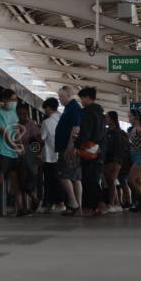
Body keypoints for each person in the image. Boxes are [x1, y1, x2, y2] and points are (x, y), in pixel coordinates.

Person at [0, 89, 28, 216]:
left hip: (12, 152)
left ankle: (21, 208)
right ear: (4, 100)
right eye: (12, 100)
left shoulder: (13, 112)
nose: (14, 102)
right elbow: (3, 131)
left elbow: (16, 129)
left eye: (15, 100)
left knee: (15, 180)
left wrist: (20, 145)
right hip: (2, 150)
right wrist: (15, 146)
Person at [75, 87, 106, 215]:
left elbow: (85, 133)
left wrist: (76, 145)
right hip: (99, 149)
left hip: (88, 149)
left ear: (87, 97)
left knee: (88, 179)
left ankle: (97, 205)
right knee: (93, 178)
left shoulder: (87, 112)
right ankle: (96, 206)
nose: (81, 101)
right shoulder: (100, 113)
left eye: (82, 98)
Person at [54, 86, 82, 215]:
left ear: (69, 95)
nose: (59, 99)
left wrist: (69, 148)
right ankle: (78, 205)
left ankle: (73, 203)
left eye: (61, 96)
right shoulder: (69, 108)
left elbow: (76, 128)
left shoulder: (73, 108)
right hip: (69, 148)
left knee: (63, 176)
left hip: (68, 149)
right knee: (75, 177)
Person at [40, 97, 65, 213]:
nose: (45, 111)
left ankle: (54, 203)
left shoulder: (46, 122)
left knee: (51, 181)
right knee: (63, 180)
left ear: (49, 108)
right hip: (63, 155)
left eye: (46, 109)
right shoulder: (63, 118)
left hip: (50, 157)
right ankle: (62, 203)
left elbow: (42, 138)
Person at [16, 104, 42, 212]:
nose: (23, 116)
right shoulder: (14, 124)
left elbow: (36, 140)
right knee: (19, 179)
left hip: (30, 155)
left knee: (29, 178)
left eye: (24, 114)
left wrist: (37, 155)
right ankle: (24, 206)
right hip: (16, 154)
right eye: (20, 114)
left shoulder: (32, 124)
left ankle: (33, 200)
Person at [103, 111, 127, 214]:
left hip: (115, 160)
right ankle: (116, 203)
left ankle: (112, 204)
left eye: (107, 117)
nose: (106, 119)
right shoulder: (107, 131)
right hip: (107, 159)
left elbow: (122, 148)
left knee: (112, 180)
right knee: (109, 181)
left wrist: (118, 161)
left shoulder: (119, 133)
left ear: (112, 119)